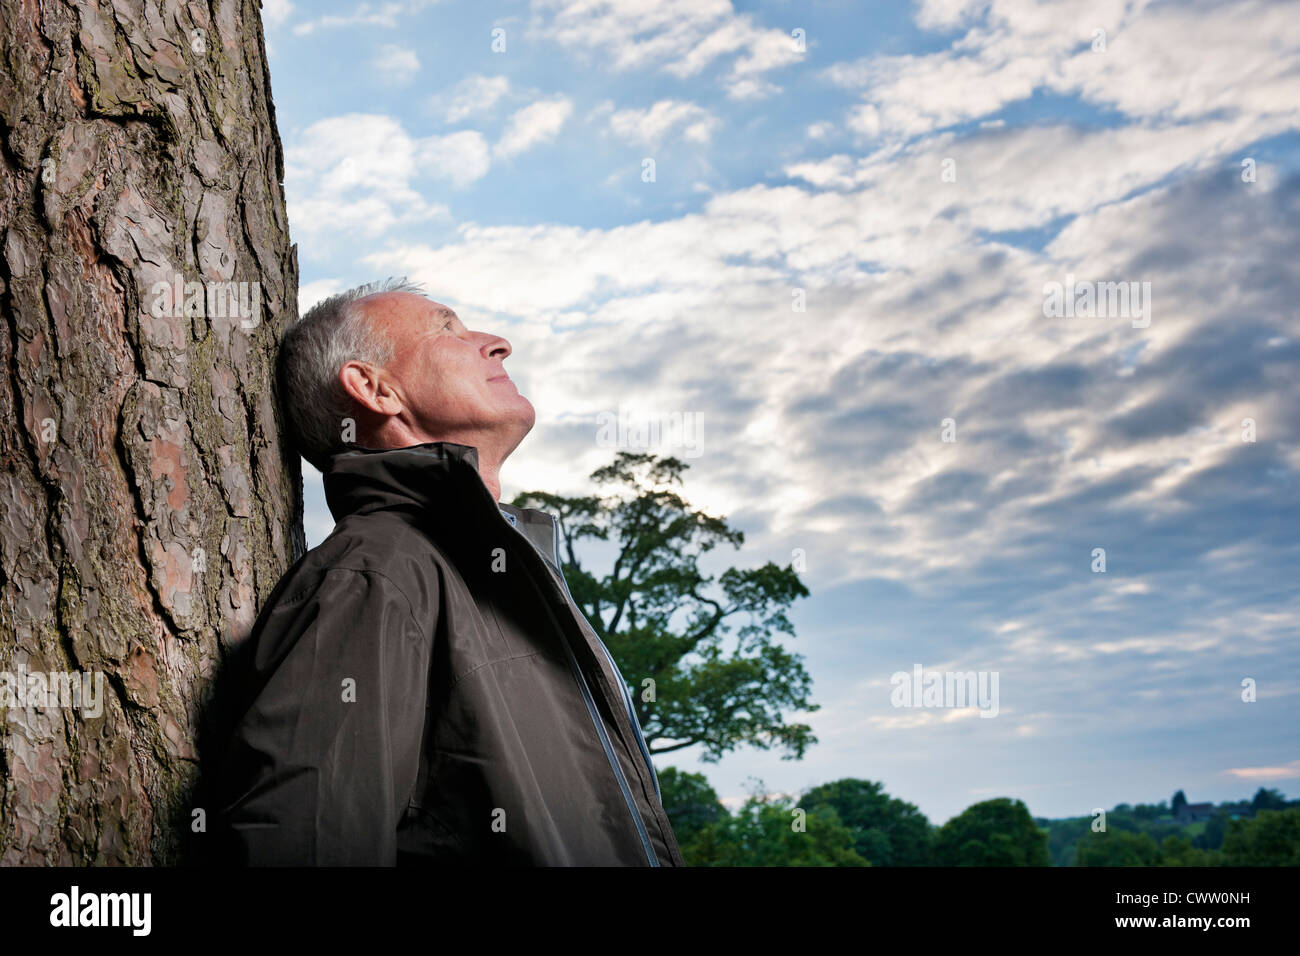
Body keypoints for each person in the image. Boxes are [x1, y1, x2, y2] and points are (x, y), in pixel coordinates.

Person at [213, 277, 684, 866]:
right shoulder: (375, 573)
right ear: (374, 389)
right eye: (448, 329)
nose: (498, 343)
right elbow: (303, 840)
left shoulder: (495, 579)